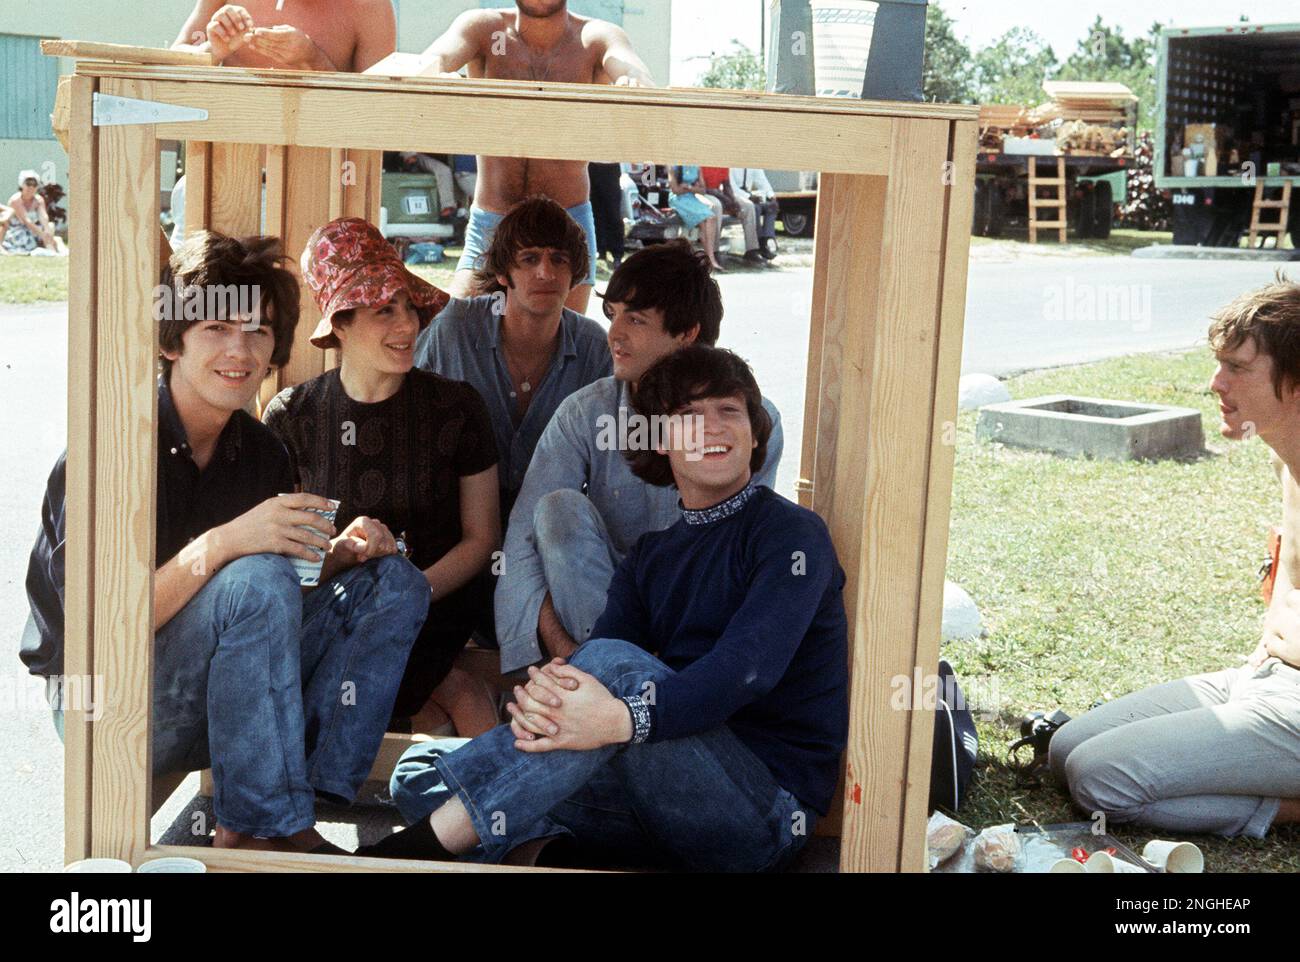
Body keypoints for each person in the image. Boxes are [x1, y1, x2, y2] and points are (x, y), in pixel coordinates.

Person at [359, 345, 848, 871]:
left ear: (755, 433)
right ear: (658, 441)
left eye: (729, 411)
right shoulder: (652, 557)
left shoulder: (791, 535)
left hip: (758, 810)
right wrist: (551, 697)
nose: (714, 427)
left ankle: (414, 851)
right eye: (688, 415)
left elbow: (744, 672)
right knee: (419, 768)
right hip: (659, 794)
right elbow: (591, 669)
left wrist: (621, 718)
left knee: (611, 666)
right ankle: (549, 852)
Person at [21, 230, 431, 853]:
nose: (241, 350)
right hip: (109, 699)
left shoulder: (260, 449)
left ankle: (298, 800)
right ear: (171, 339)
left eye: (260, 331)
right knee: (253, 576)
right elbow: (96, 631)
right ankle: (267, 828)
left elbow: (269, 605)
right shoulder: (114, 444)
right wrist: (228, 542)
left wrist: (335, 557)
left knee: (393, 583)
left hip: (229, 693)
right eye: (217, 327)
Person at [1049, 277, 1300, 839]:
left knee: (1099, 782)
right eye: (1219, 364)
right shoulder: (1286, 460)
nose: (1216, 383)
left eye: (1238, 368)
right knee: (1065, 748)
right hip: (1268, 677)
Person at [494, 239, 785, 673]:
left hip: (700, 625)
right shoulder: (585, 412)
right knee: (557, 509)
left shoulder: (750, 423)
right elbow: (521, 543)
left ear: (686, 334)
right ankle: (612, 676)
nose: (614, 333)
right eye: (613, 316)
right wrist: (567, 652)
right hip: (599, 623)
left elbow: (745, 550)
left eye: (636, 319)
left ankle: (647, 690)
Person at [264, 218, 502, 738]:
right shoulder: (291, 416)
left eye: (408, 306)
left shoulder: (456, 407)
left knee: (431, 675)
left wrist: (409, 592)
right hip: (339, 603)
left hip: (438, 598)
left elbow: (482, 538)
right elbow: (288, 559)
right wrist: (343, 555)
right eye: (383, 310)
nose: (407, 325)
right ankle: (427, 721)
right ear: (340, 325)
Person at [411, 0, 655, 314]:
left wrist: (630, 82)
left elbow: (632, 71)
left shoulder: (595, 38)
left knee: (565, 346)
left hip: (567, 226)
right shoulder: (486, 28)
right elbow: (434, 59)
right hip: (493, 220)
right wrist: (436, 74)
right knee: (458, 332)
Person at [414, 196, 611, 527]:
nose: (545, 272)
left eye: (559, 260)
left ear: (575, 273)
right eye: (529, 259)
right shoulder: (455, 329)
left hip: (549, 525)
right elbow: (404, 409)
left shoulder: (594, 348)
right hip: (450, 519)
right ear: (504, 273)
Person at [172, 0, 396, 72]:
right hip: (221, 169)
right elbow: (170, 65)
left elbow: (381, 114)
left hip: (323, 175)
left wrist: (313, 62)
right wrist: (212, 50)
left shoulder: (369, 7)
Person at [701, 166, 766, 266]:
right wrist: (724, 199)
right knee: (717, 206)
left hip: (718, 193)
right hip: (704, 193)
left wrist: (733, 201)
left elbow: (727, 186)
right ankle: (714, 251)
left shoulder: (722, 164)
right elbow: (702, 187)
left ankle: (751, 250)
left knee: (748, 205)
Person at [668, 165, 724, 272]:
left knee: (708, 220)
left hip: (692, 198)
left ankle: (709, 258)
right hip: (678, 200)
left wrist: (688, 188)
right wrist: (694, 188)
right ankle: (710, 259)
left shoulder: (696, 167)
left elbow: (702, 190)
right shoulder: (674, 167)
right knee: (708, 218)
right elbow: (675, 190)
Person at [3, 171, 66, 256]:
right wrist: (42, 234)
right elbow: (27, 221)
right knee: (45, 236)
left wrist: (46, 229)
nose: (31, 187)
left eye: (34, 184)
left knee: (50, 226)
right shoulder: (15, 200)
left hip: (33, 230)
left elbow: (43, 216)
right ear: (22, 185)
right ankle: (51, 251)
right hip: (19, 231)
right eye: (28, 184)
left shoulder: (38, 200)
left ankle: (51, 250)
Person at [731, 167, 780, 260]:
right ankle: (759, 243)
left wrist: (771, 195)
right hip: (735, 197)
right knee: (755, 208)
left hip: (749, 195)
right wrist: (749, 197)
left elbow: (762, 181)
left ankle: (768, 238)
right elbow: (732, 188)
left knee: (772, 206)